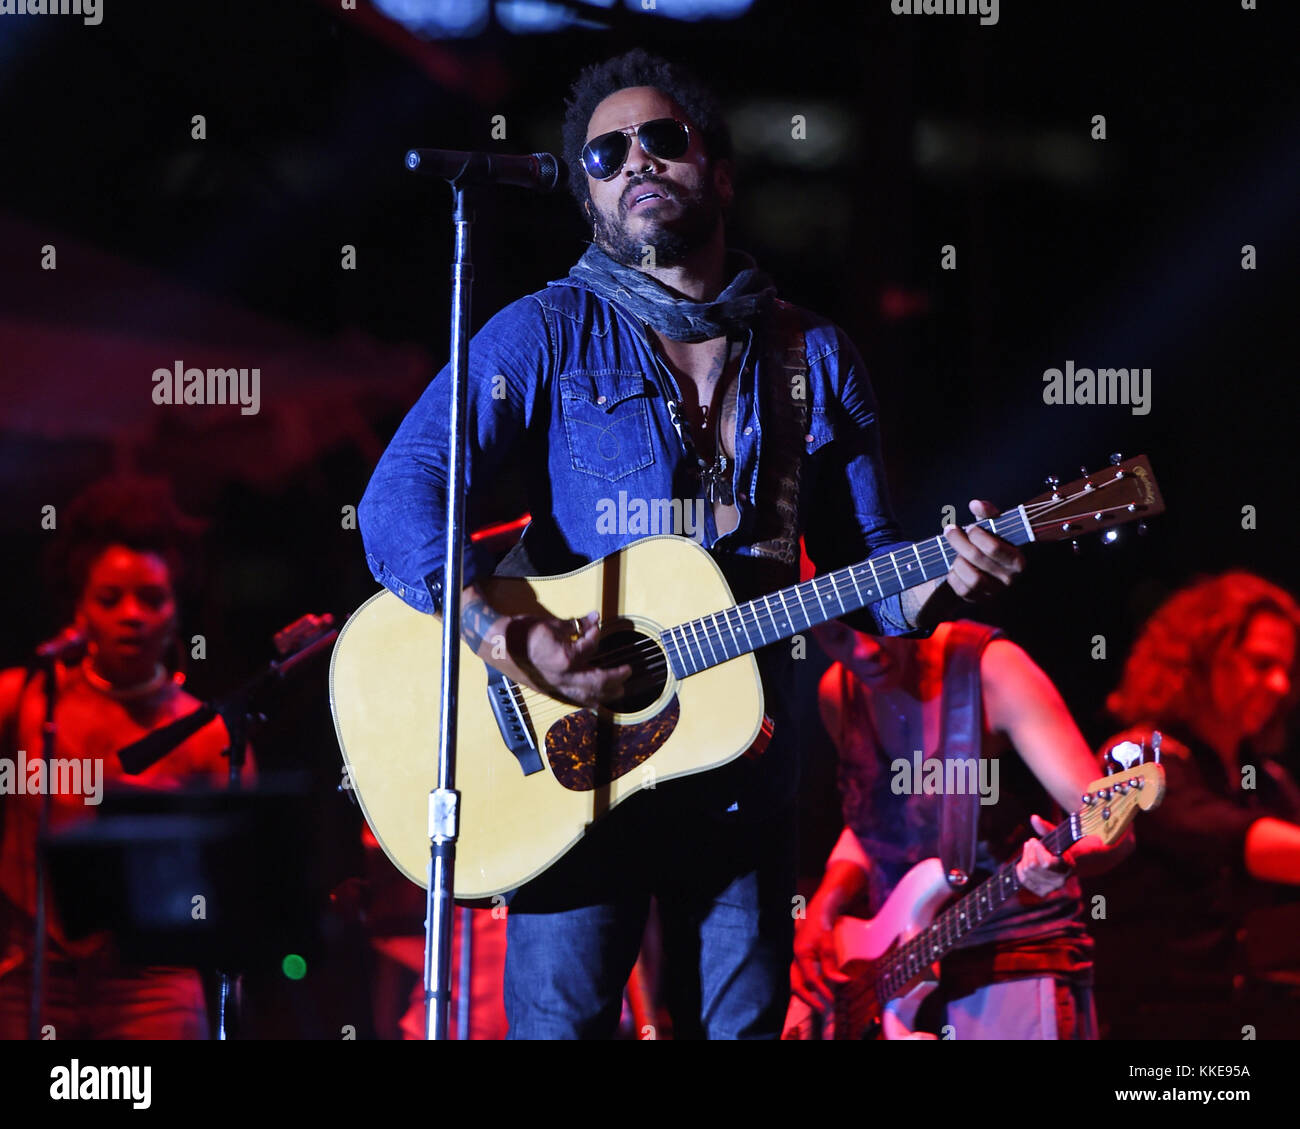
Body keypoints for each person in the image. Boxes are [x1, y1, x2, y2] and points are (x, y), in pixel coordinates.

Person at [357, 49, 1024, 1039]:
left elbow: (867, 567)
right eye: (603, 153)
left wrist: (946, 579)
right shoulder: (542, 332)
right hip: (568, 770)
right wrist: (508, 635)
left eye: (662, 140)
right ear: (587, 198)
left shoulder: (814, 354)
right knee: (564, 1027)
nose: (635, 162)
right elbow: (398, 497)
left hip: (741, 767)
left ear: (717, 170)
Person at [786, 618, 1128, 1039]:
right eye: (837, 635)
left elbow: (1110, 826)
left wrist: (1069, 858)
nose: (863, 651)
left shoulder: (988, 667)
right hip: (902, 979)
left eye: (873, 625)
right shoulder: (838, 692)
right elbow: (878, 821)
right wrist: (823, 906)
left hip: (1013, 964)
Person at [0, 477, 250, 1040]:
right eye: (109, 599)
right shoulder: (21, 701)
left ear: (176, 612)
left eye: (152, 598)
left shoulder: (207, 732)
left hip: (152, 982)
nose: (131, 615)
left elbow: (242, 889)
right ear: (79, 609)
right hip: (29, 973)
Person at [1088, 571, 1300, 1040]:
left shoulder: (1268, 782)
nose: (1281, 685)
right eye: (1261, 664)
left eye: (1286, 668)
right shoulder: (1134, 757)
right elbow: (1222, 834)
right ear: (1202, 658)